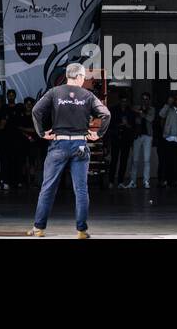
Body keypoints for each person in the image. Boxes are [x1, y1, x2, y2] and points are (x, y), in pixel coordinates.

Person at [27, 63, 111, 238]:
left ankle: (39, 228)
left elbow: (36, 110)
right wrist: (98, 134)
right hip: (80, 145)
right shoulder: (88, 95)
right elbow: (106, 114)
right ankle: (81, 230)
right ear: (80, 77)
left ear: (67, 76)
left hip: (58, 144)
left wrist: (42, 132)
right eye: (84, 78)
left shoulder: (54, 92)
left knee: (48, 187)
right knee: (81, 189)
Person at [125, 92, 155, 188]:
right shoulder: (136, 108)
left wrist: (143, 115)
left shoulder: (152, 109)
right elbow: (133, 118)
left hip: (148, 136)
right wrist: (138, 113)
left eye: (146, 99)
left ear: (149, 100)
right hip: (137, 135)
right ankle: (132, 182)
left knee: (147, 160)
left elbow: (151, 119)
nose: (145, 100)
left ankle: (146, 181)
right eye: (143, 98)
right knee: (135, 160)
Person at [107, 94, 136, 187]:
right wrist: (119, 124)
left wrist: (126, 124)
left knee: (124, 160)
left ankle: (120, 181)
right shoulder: (113, 110)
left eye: (125, 101)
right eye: (122, 101)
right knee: (114, 160)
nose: (124, 103)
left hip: (126, 138)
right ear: (119, 101)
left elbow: (133, 126)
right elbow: (110, 124)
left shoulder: (130, 111)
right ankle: (111, 180)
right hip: (116, 137)